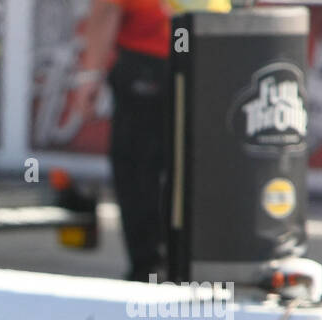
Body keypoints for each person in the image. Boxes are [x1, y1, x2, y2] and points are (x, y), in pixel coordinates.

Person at [71, 0, 230, 281]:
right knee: (190, 165)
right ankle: (188, 264)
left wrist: (90, 75)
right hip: (209, 55)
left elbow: (108, 9)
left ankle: (151, 269)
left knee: (138, 169)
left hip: (152, 62)